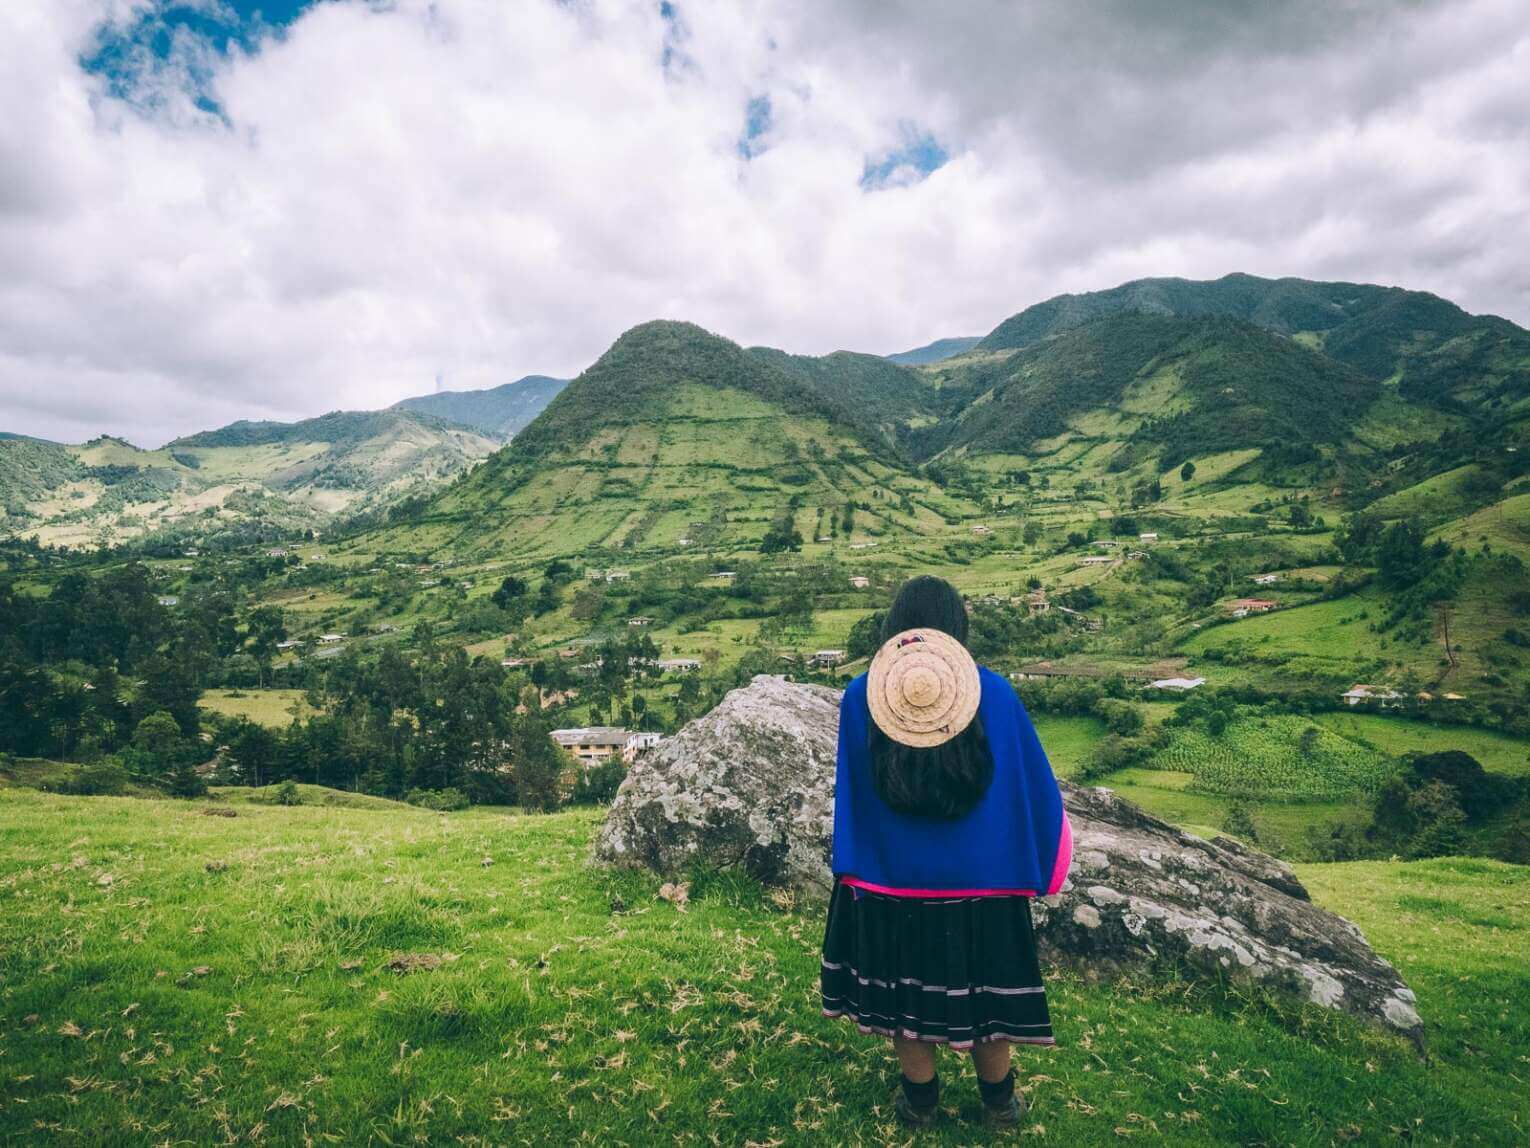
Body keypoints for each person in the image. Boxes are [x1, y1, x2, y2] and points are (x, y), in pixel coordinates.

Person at [820, 575, 1072, 1129]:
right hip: (985, 881)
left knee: (904, 1003)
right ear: (958, 628)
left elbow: (855, 791)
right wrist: (1043, 859)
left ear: (895, 628)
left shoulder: (861, 695)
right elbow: (1031, 787)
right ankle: (1000, 1104)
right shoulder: (997, 693)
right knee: (989, 1001)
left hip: (891, 879)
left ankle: (920, 1103)